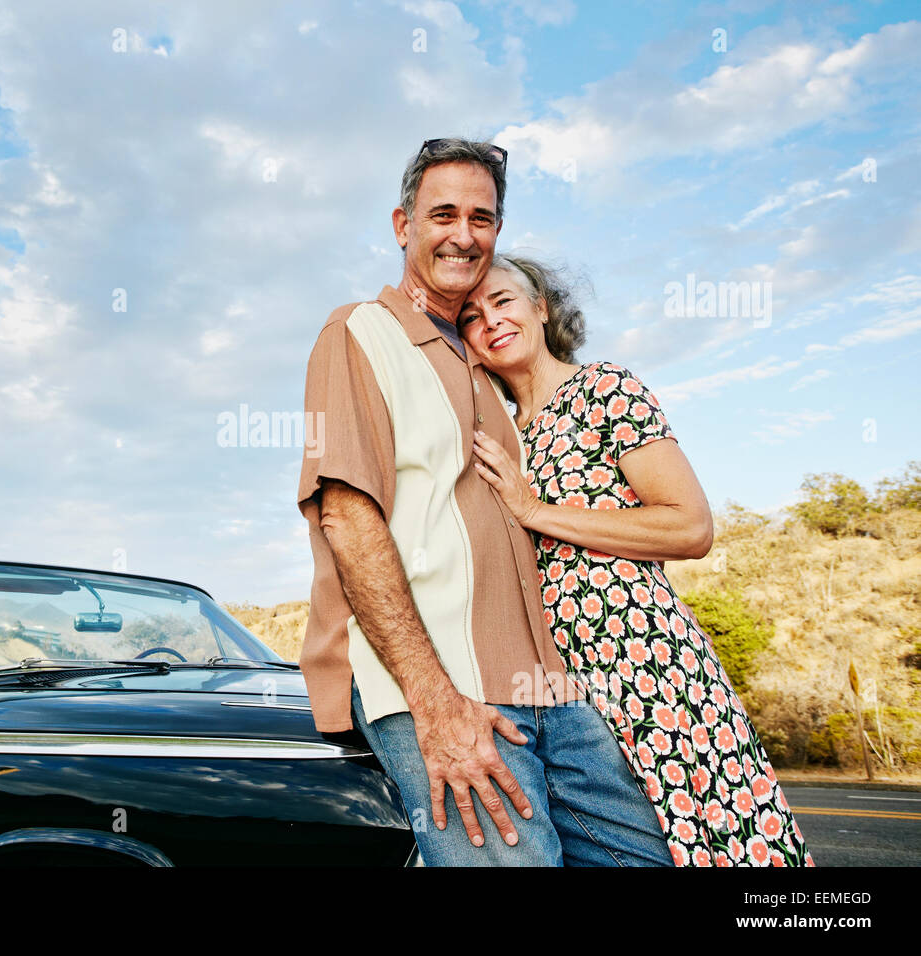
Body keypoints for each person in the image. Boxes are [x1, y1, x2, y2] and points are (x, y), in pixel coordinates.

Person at [296, 138, 673, 865]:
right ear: (403, 225)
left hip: (555, 691)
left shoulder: (487, 369)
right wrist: (435, 702)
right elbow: (347, 516)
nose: (464, 234)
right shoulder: (358, 332)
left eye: (483, 218)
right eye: (443, 214)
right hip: (443, 685)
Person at [462, 255, 814, 866]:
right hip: (561, 682)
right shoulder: (504, 431)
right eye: (471, 316)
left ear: (541, 308)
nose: (490, 321)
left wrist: (533, 508)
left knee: (710, 837)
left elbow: (690, 524)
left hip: (646, 661)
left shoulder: (604, 387)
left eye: (503, 302)